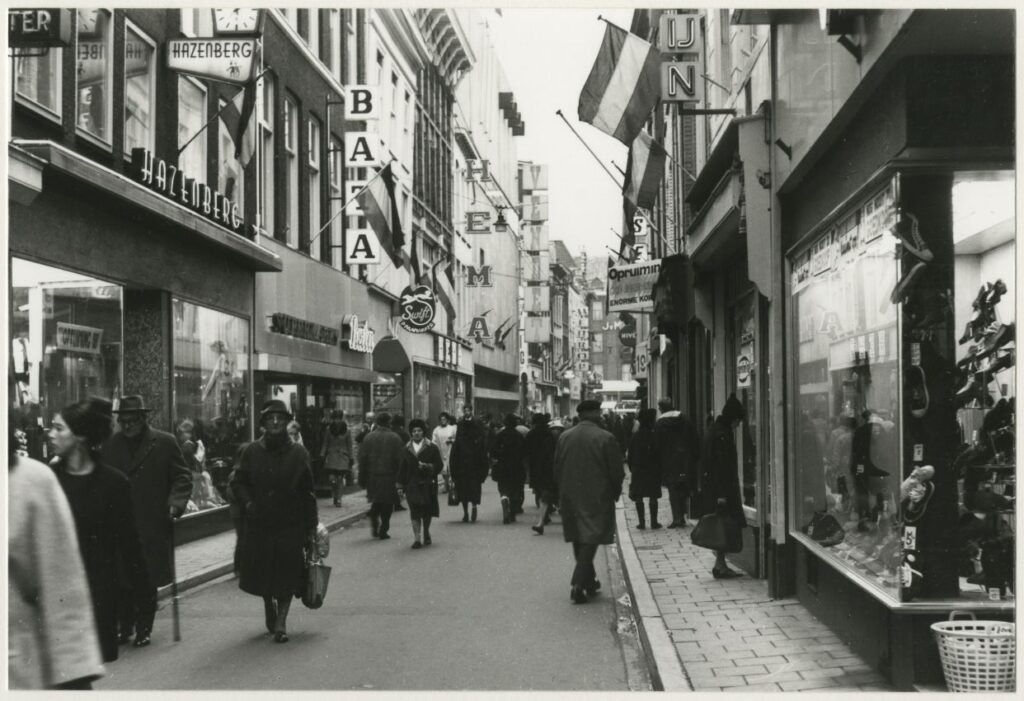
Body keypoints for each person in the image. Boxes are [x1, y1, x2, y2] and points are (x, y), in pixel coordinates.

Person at [50, 398, 152, 661]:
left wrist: (145, 597)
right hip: (54, 599)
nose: (51, 435)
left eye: (59, 428)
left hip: (96, 597)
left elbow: (131, 547)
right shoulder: (47, 479)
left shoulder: (113, 484)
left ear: (81, 436)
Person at [9, 418, 106, 689]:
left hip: (20, 674)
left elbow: (64, 592)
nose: (53, 434)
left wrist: (74, 677)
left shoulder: (30, 481)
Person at [103, 395, 191, 648]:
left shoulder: (164, 442)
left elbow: (182, 477)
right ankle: (125, 625)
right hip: (119, 524)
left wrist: (176, 502)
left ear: (143, 419)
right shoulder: (110, 444)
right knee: (120, 580)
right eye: (123, 421)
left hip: (150, 522)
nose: (127, 426)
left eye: (132, 421)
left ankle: (143, 628)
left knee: (145, 580)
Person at [231, 400, 318, 643]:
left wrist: (312, 526)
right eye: (271, 419)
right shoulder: (251, 452)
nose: (276, 423)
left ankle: (281, 622)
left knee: (288, 574)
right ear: (264, 424)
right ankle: (269, 603)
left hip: (291, 524)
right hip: (261, 523)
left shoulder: (299, 453)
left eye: (281, 418)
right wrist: (248, 504)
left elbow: (308, 491)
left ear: (287, 421)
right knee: (265, 572)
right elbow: (238, 482)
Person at [554, 399, 624, 604]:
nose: (601, 415)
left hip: (570, 493)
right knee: (592, 536)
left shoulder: (565, 437)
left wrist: (561, 490)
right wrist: (616, 491)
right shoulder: (605, 437)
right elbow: (616, 471)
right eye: (598, 411)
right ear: (592, 413)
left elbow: (556, 466)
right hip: (597, 494)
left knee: (578, 535)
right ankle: (578, 583)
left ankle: (590, 580)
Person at [698, 394, 748, 579]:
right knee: (724, 526)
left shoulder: (714, 431)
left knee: (723, 526)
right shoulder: (721, 435)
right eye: (738, 421)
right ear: (733, 419)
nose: (738, 425)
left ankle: (720, 564)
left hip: (717, 490)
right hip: (722, 491)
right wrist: (722, 494)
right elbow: (720, 467)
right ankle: (720, 566)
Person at [652, 397, 700, 529]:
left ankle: (677, 518)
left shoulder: (659, 424)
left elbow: (657, 446)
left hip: (668, 461)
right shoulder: (684, 419)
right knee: (683, 487)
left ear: (661, 409)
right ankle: (683, 515)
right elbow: (694, 437)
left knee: (673, 489)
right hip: (685, 460)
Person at [357, 412, 405, 539]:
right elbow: (400, 460)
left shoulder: (368, 438)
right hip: (389, 476)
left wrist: (362, 477)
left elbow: (363, 459)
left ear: (377, 422)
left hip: (372, 476)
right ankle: (384, 528)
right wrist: (402, 479)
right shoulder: (395, 438)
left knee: (377, 500)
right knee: (388, 504)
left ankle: (374, 515)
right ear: (389, 423)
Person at [397, 419, 444, 548]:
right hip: (411, 485)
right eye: (414, 431)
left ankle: (426, 531)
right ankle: (417, 538)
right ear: (411, 433)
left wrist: (428, 467)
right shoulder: (406, 449)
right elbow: (402, 468)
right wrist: (400, 486)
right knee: (414, 511)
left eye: (419, 431)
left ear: (423, 432)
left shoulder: (432, 447)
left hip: (427, 484)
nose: (416, 433)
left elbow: (439, 465)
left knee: (427, 512)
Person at [449, 404, 490, 523]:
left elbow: (482, 438)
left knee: (474, 487)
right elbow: (458, 439)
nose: (466, 412)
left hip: (474, 462)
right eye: (465, 410)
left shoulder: (477, 423)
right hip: (463, 463)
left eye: (468, 410)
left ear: (471, 411)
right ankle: (465, 512)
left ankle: (474, 507)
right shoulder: (460, 423)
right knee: (463, 489)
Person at [628, 408, 662, 529]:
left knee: (639, 496)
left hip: (638, 470)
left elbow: (630, 454)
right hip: (652, 470)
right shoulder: (654, 435)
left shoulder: (636, 436)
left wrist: (632, 468)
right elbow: (659, 453)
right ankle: (654, 522)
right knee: (653, 495)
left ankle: (641, 523)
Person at [492, 413, 527, 524]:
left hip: (502, 466)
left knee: (503, 488)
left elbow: (493, 450)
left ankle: (504, 499)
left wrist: (498, 457)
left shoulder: (500, 435)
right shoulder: (518, 436)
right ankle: (512, 513)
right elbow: (524, 452)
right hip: (516, 467)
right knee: (515, 490)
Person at [526, 413, 557, 535]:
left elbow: (526, 450)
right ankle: (544, 516)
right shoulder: (550, 434)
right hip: (548, 467)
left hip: (535, 467)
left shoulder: (531, 434)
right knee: (546, 491)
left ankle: (543, 518)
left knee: (540, 492)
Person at [321, 410, 354, 507]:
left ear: (342, 418)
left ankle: (339, 498)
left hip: (343, 457)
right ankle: (335, 494)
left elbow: (350, 445)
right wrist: (322, 454)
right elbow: (325, 443)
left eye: (339, 418)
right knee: (332, 479)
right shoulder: (328, 429)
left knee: (340, 478)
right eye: (335, 418)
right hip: (331, 456)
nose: (337, 421)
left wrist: (351, 458)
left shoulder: (347, 431)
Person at [431, 412, 457, 492]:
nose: (443, 421)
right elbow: (433, 440)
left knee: (451, 468)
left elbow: (456, 438)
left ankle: (452, 485)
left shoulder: (452, 428)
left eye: (444, 419)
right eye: (441, 419)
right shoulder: (436, 429)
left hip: (450, 450)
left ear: (447, 420)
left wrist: (452, 440)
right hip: (440, 451)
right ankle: (446, 486)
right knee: (443, 469)